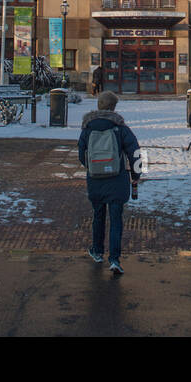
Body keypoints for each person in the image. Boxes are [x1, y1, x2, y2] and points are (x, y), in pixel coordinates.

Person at [77, 90, 141, 275]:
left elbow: (82, 154)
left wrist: (92, 167)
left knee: (98, 216)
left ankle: (97, 251)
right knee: (115, 219)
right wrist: (135, 174)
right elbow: (134, 150)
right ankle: (114, 258)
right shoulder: (120, 127)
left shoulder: (88, 128)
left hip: (96, 179)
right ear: (114, 107)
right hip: (117, 179)